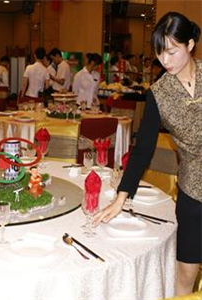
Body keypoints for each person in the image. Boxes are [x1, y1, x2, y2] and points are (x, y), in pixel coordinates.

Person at [93, 12, 201, 296]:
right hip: (193, 191)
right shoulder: (158, 93)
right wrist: (121, 197)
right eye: (159, 52)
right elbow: (143, 148)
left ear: (190, 44)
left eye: (172, 51)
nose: (165, 60)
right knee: (186, 272)